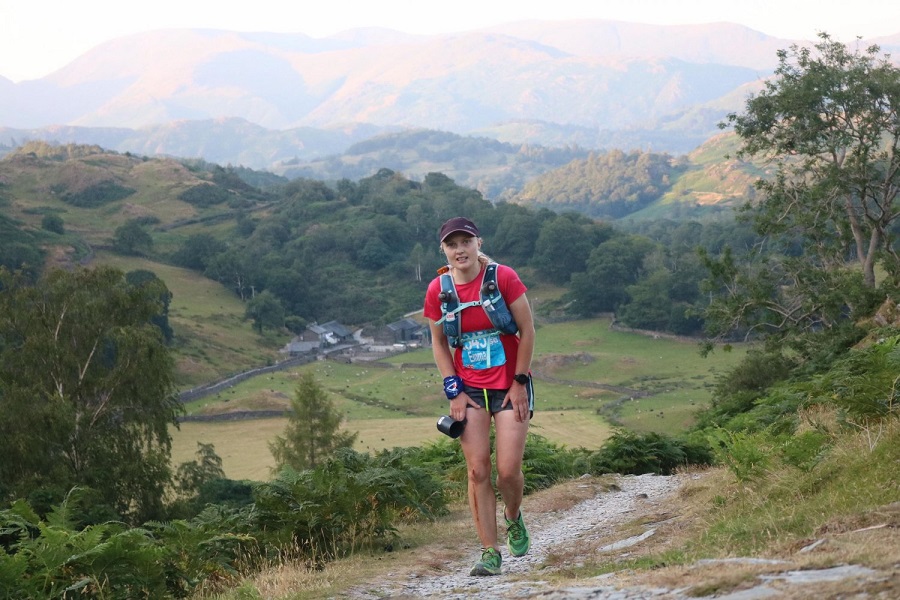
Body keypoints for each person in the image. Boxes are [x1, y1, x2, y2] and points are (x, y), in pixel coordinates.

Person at [423, 216, 536, 576]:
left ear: (477, 243)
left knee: (507, 472)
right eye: (452, 244)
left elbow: (528, 329)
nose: (460, 250)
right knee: (477, 470)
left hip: (508, 385)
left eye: (466, 242)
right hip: (468, 391)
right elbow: (439, 343)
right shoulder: (438, 290)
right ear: (444, 250)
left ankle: (513, 515)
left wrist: (520, 381)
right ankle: (490, 551)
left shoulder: (503, 278)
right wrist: (452, 389)